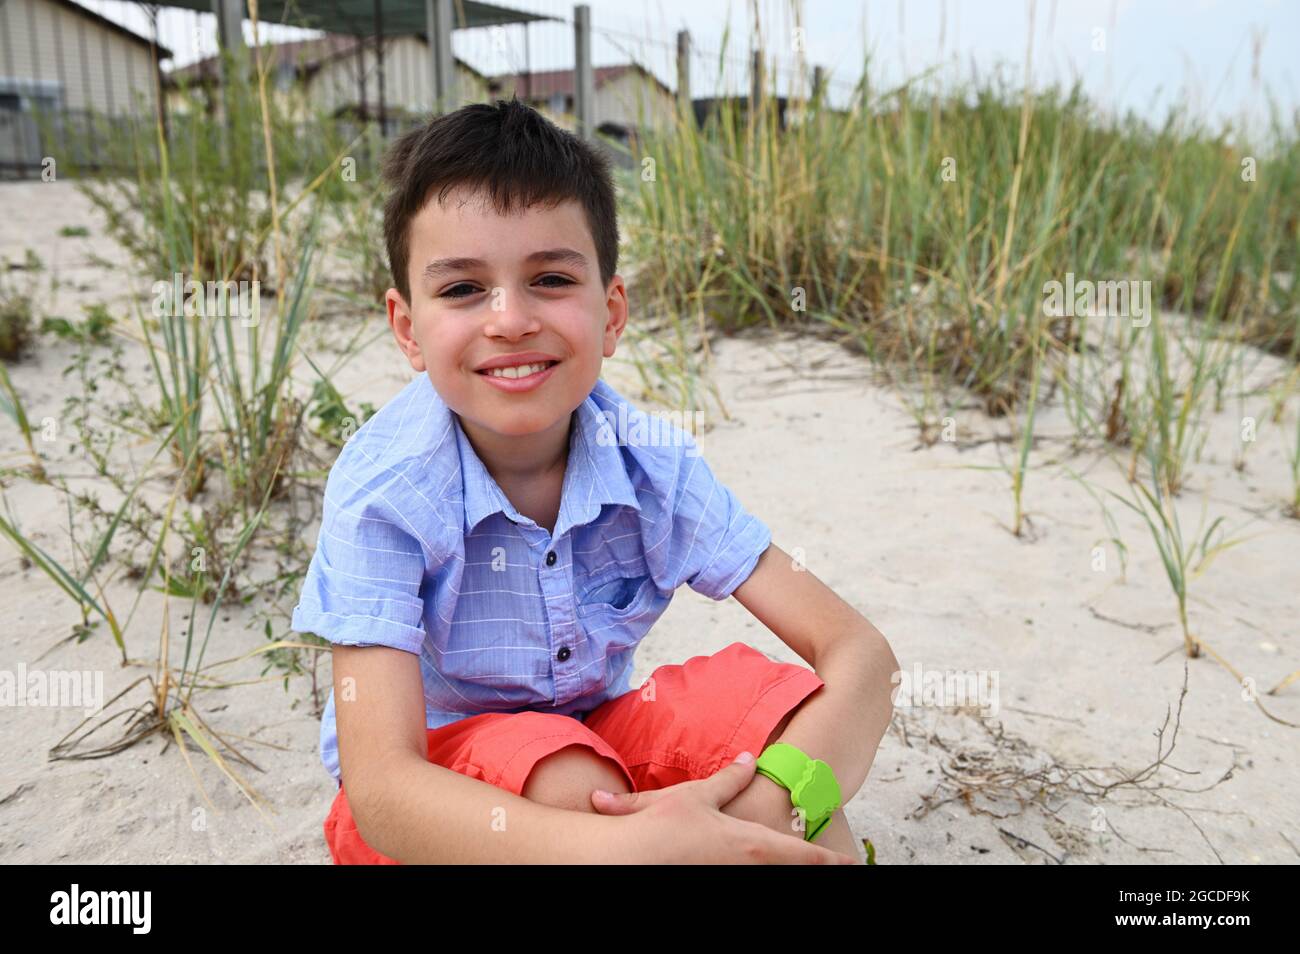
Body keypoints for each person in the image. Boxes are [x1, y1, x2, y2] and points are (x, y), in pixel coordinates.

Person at [290, 98, 899, 864]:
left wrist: (776, 803)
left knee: (780, 724)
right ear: (408, 328)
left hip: (598, 747)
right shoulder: (387, 489)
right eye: (462, 289)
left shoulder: (648, 460)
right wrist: (628, 848)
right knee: (566, 772)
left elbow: (860, 656)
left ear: (611, 314)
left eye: (549, 278)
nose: (509, 319)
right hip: (440, 807)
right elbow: (381, 790)